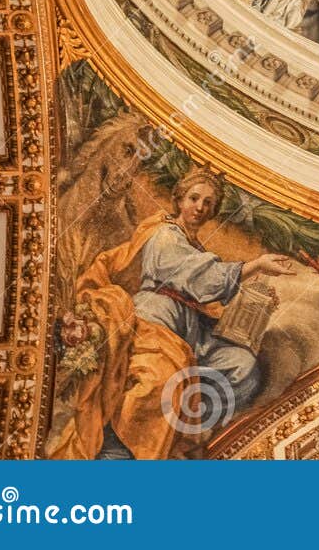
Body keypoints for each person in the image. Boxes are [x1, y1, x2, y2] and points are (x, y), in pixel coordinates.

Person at [50, 170, 295, 459]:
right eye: (194, 198)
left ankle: (182, 427)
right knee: (161, 378)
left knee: (243, 367)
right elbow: (195, 275)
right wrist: (254, 266)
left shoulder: (195, 247)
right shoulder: (165, 233)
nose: (200, 207)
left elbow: (206, 291)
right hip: (154, 323)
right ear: (179, 199)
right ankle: (122, 449)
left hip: (191, 333)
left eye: (208, 203)